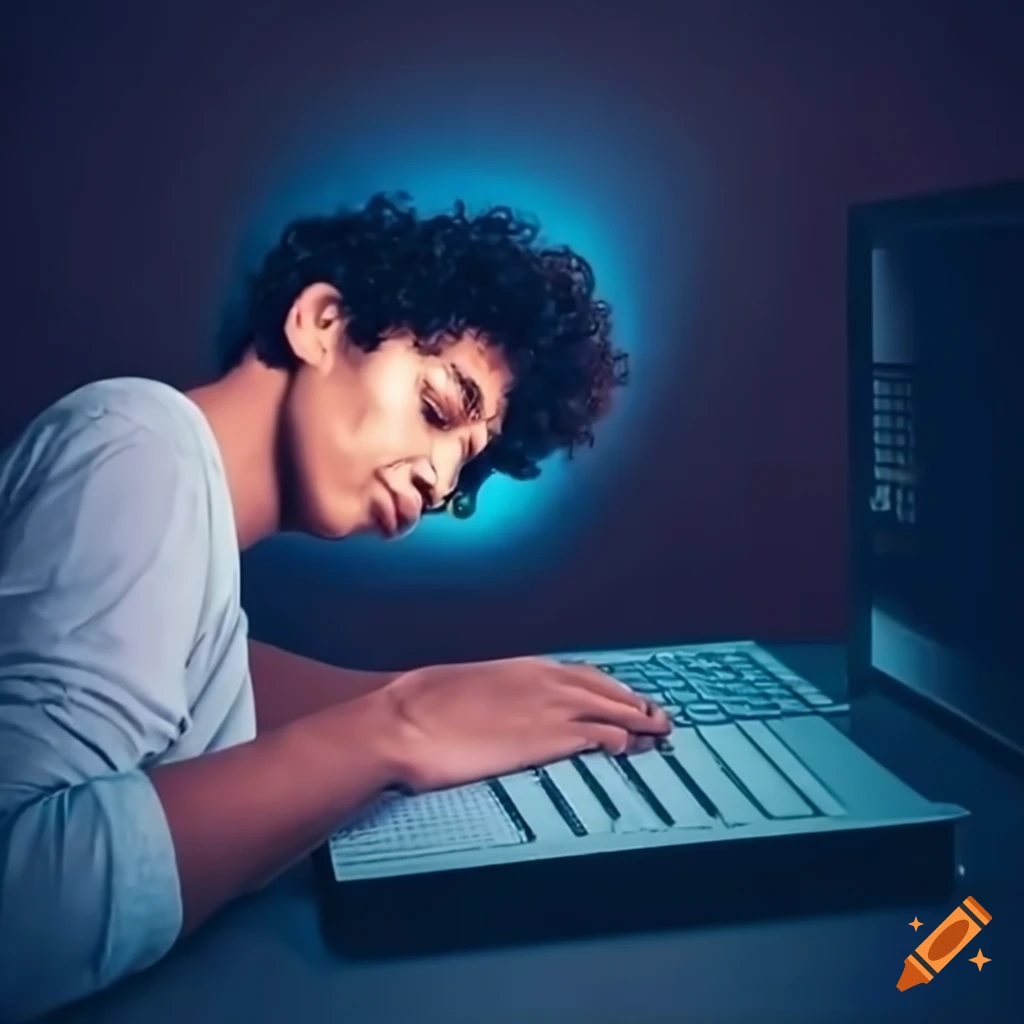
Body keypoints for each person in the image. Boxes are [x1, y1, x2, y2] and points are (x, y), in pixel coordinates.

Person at [0, 194, 671, 1021]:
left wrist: (465, 700)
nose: (438, 481)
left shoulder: (186, 518)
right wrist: (399, 727)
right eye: (437, 409)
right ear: (320, 322)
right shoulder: (138, 451)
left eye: (462, 468)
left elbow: (209, 688)